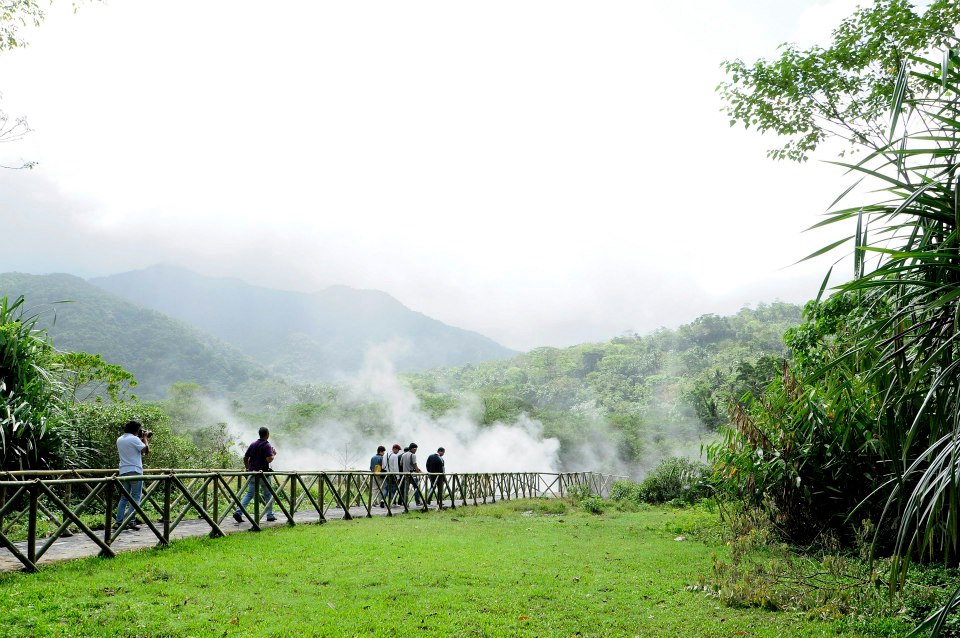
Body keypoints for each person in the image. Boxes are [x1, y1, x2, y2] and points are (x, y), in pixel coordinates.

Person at [233, 427, 277, 524]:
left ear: (259, 434)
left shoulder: (253, 444)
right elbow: (269, 459)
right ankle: (270, 515)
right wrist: (273, 454)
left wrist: (248, 469)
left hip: (252, 474)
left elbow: (245, 458)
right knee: (268, 494)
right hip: (263, 474)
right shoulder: (267, 445)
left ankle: (238, 512)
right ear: (267, 434)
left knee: (249, 494)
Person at [115, 419, 150, 532]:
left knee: (124, 497)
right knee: (135, 497)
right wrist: (145, 438)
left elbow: (132, 448)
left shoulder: (120, 439)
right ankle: (131, 521)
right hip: (135, 470)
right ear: (136, 429)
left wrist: (140, 438)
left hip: (123, 471)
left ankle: (118, 522)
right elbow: (146, 451)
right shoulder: (134, 439)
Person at [399, 442, 424, 507]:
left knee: (406, 489)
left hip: (405, 474)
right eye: (415, 449)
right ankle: (417, 502)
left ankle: (405, 503)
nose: (416, 451)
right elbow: (415, 464)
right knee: (416, 488)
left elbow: (401, 464)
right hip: (412, 474)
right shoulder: (413, 455)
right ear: (412, 449)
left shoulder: (404, 455)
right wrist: (418, 473)